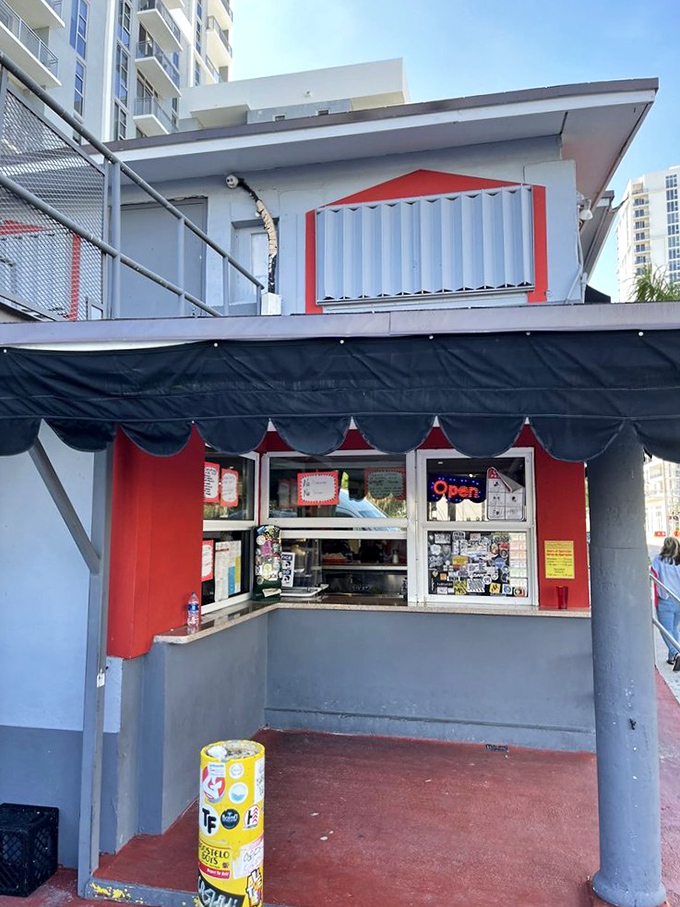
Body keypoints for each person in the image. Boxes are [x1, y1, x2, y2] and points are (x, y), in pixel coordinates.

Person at [651, 537, 680, 670]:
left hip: (665, 599)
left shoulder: (659, 560)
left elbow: (652, 573)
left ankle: (675, 653)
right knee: (673, 628)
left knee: (666, 629)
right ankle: (672, 657)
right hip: (678, 600)